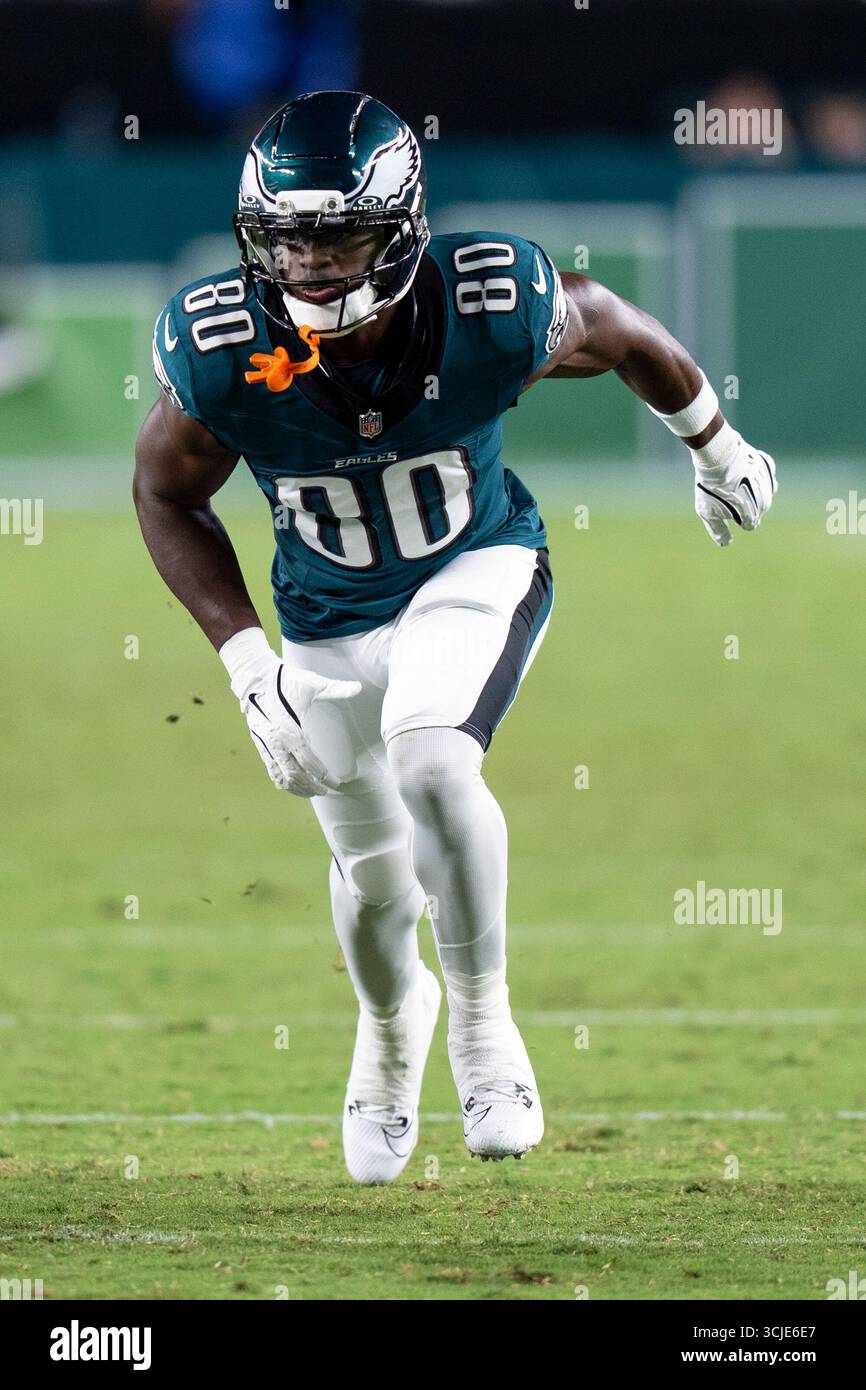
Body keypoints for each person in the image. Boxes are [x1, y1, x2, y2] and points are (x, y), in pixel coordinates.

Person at [134, 90, 777, 1184]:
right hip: (326, 621)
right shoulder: (224, 345)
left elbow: (616, 326)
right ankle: (391, 1034)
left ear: (396, 231)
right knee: (374, 881)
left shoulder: (485, 304)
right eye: (287, 239)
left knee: (435, 758)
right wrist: (247, 664)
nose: (308, 266)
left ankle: (485, 1028)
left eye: (335, 238)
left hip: (472, 565)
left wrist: (714, 445)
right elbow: (164, 493)